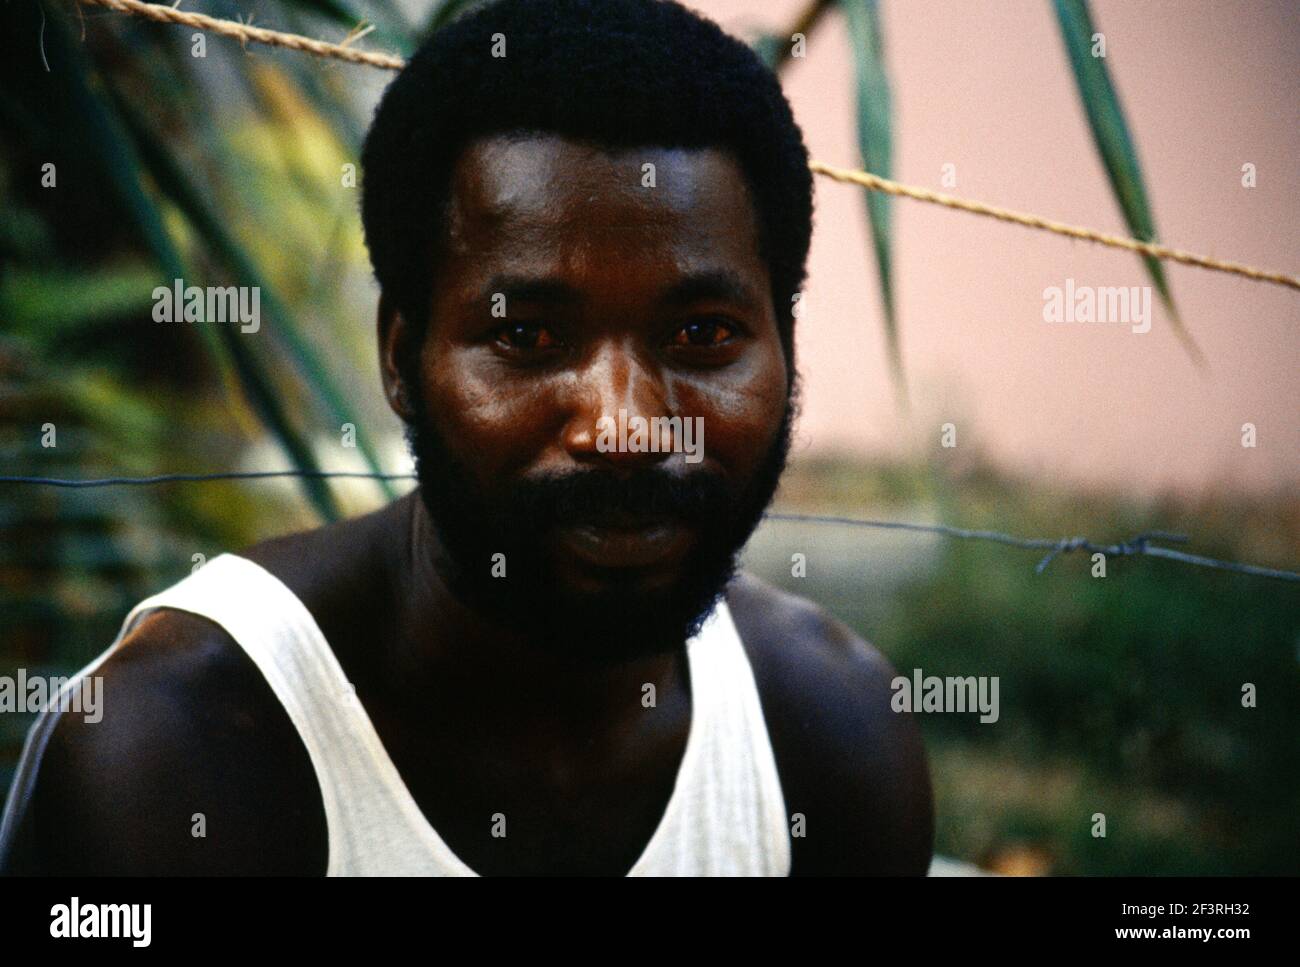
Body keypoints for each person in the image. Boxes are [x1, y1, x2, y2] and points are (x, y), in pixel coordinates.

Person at [0, 0, 931, 876]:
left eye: (701, 335)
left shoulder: (830, 741)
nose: (626, 425)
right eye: (526, 337)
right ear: (402, 358)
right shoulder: (181, 757)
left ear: (785, 344)